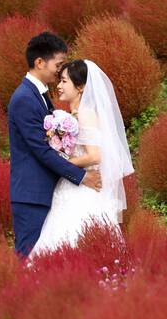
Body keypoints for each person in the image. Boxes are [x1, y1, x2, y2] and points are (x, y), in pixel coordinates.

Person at [7, 31, 101, 256]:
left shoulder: (40, 96)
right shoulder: (23, 99)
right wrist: (81, 176)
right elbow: (41, 150)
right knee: (30, 258)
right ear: (39, 62)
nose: (60, 70)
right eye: (58, 65)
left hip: (48, 191)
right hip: (31, 195)